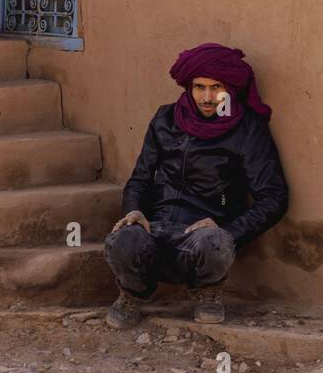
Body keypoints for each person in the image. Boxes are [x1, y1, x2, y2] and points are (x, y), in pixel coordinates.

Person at [103, 42, 288, 328]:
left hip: (201, 238)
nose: (207, 97)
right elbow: (140, 178)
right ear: (188, 87)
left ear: (231, 89)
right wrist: (134, 211)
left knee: (216, 243)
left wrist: (227, 229)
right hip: (156, 227)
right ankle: (131, 294)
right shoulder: (165, 119)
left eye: (216, 87)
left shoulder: (248, 130)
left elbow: (274, 197)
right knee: (123, 239)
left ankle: (207, 292)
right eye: (199, 87)